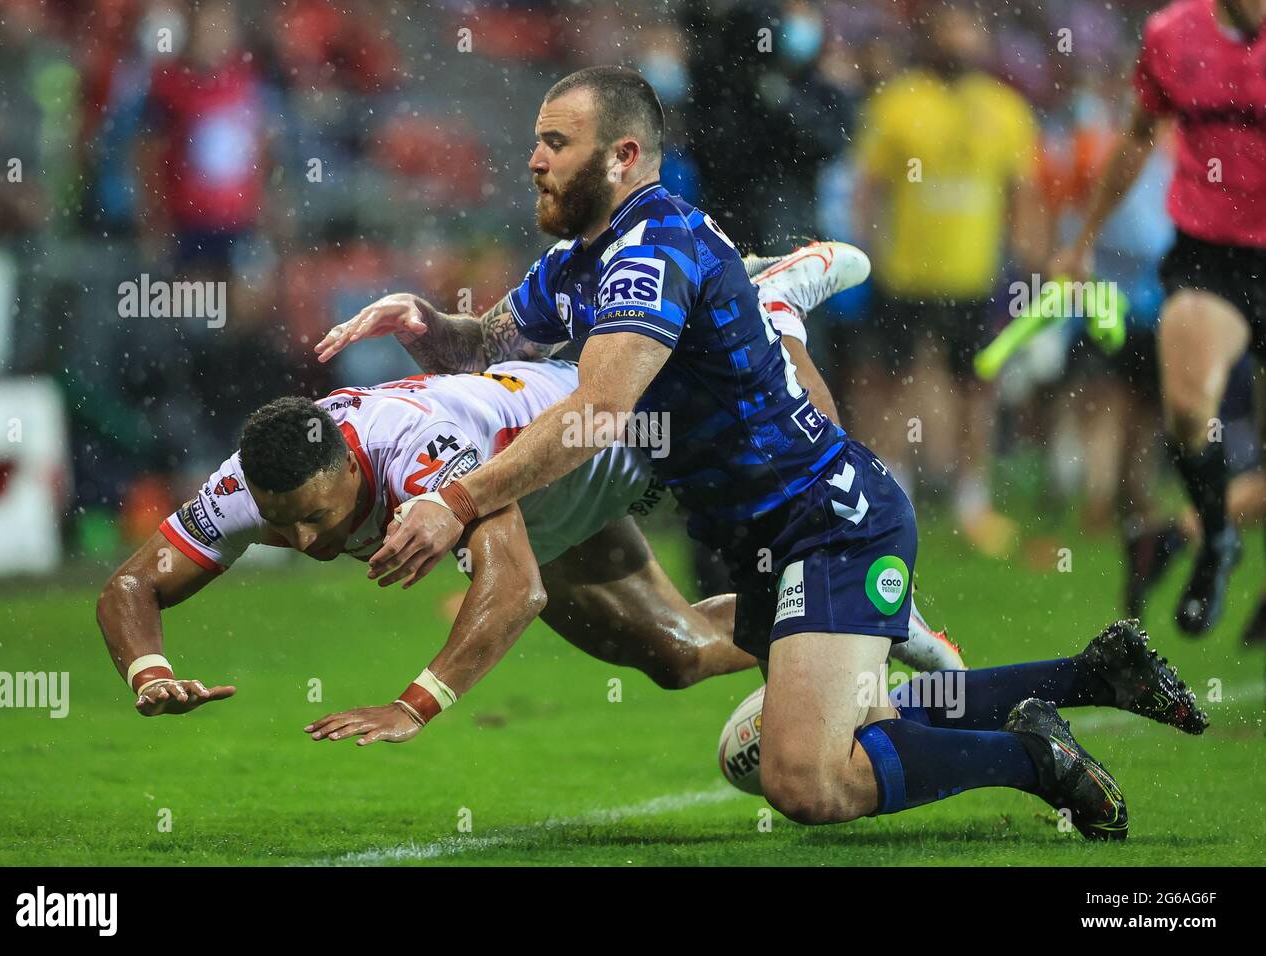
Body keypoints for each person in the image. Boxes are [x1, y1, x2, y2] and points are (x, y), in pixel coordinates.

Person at [361, 66, 1205, 838]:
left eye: (555, 142)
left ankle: (1034, 759)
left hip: (830, 525)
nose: (534, 160)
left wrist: (457, 500)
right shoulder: (578, 263)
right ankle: (1090, 676)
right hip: (766, 534)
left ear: (622, 156)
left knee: (802, 780)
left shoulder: (651, 253)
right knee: (821, 707)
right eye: (537, 141)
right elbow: (484, 345)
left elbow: (599, 410)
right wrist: (426, 326)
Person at [97, 243, 964, 745]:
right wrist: (150, 669)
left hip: (599, 438)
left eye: (321, 518)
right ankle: (880, 625)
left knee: (803, 454)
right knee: (676, 659)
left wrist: (413, 705)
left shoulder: (419, 464)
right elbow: (132, 583)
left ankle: (773, 305)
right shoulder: (250, 483)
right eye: (286, 529)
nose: (313, 541)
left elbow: (514, 587)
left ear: (354, 470)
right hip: (543, 510)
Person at [1051, 0, 1266, 636]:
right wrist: (1081, 240)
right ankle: (1218, 541)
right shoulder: (1173, 34)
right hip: (1210, 257)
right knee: (1188, 411)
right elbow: (1140, 135)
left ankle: (1180, 534)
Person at [853, 4, 1043, 557]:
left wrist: (1031, 256)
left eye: (967, 29)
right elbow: (870, 187)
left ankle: (972, 502)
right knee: (893, 384)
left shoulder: (1005, 108)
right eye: (949, 28)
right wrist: (868, 252)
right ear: (931, 36)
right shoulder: (897, 102)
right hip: (904, 274)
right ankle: (892, 493)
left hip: (975, 275)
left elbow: (1022, 191)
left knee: (976, 389)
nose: (958, 39)